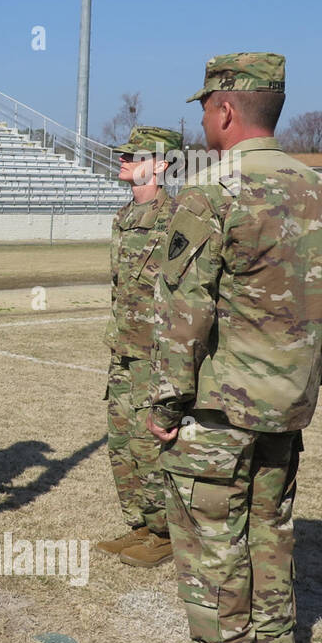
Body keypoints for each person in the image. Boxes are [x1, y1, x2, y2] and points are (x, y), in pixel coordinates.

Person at [144, 53, 322, 643]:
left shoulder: (212, 193)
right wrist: (317, 374)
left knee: (213, 548)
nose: (202, 119)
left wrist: (165, 405)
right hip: (285, 408)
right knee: (269, 537)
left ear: (226, 110)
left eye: (205, 107)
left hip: (218, 412)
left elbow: (185, 314)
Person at [98, 125, 181, 568]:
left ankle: (165, 532)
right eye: (123, 153)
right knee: (122, 443)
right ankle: (140, 525)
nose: (124, 159)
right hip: (124, 350)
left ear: (162, 165)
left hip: (156, 353)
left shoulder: (179, 219)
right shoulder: (124, 216)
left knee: (152, 446)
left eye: (135, 155)